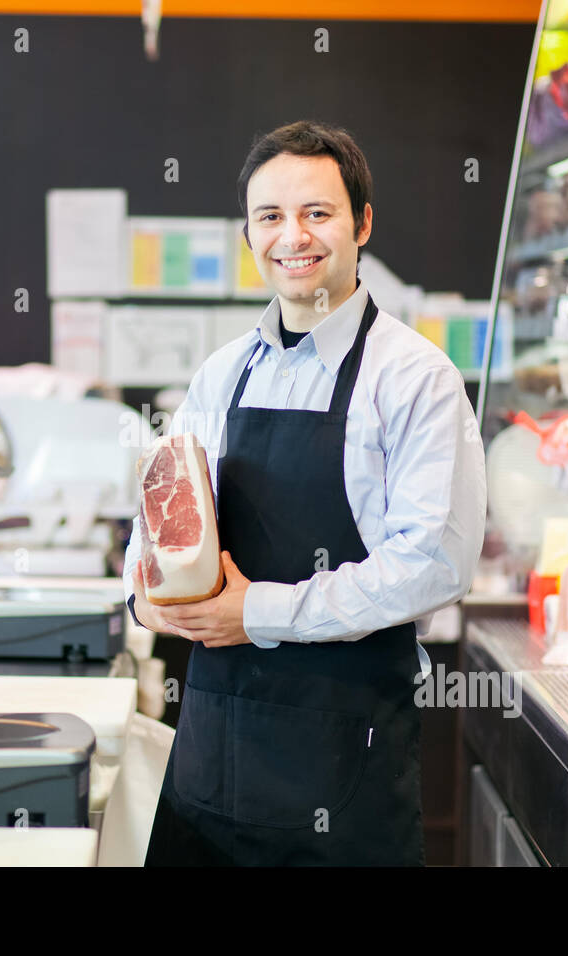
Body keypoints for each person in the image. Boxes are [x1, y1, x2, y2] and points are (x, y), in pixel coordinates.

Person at [123, 120, 486, 866]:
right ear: (249, 236)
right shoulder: (221, 374)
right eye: (271, 217)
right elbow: (154, 532)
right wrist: (146, 596)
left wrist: (254, 611)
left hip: (342, 771)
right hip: (209, 770)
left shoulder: (415, 378)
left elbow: (433, 565)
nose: (294, 236)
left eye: (317, 213)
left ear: (362, 223)